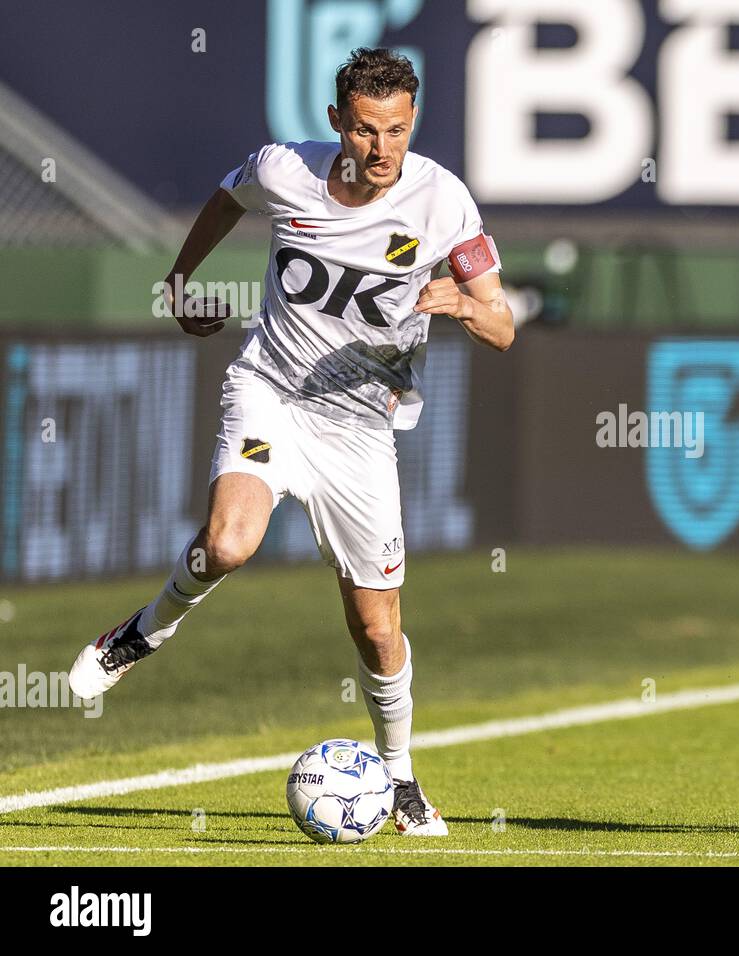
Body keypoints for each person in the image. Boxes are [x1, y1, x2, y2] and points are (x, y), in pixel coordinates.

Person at [68, 47, 514, 838]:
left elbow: (503, 325)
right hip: (271, 391)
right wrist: (178, 280)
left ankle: (403, 781)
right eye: (369, 130)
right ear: (339, 121)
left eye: (400, 131)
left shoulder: (442, 201)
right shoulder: (284, 171)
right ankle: (143, 631)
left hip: (362, 427)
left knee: (377, 629)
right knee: (229, 542)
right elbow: (225, 200)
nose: (384, 150)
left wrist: (465, 307)